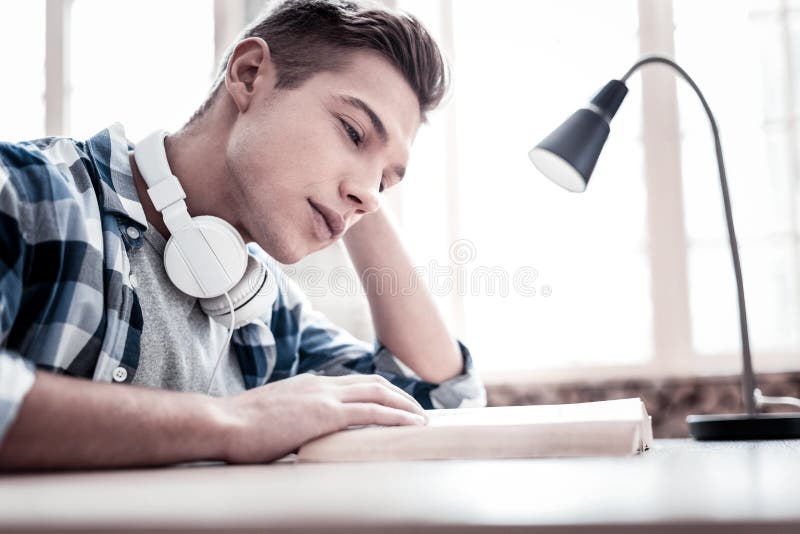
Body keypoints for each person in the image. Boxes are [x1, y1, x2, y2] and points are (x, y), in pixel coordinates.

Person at [0, 0, 485, 469]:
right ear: (249, 74)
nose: (370, 198)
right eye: (353, 131)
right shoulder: (27, 194)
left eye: (385, 182)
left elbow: (441, 403)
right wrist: (229, 422)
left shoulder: (263, 311)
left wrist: (363, 181)